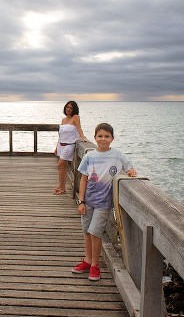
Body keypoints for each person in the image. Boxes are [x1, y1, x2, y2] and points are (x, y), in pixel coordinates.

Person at [71, 122, 136, 281]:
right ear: (95, 137)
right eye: (100, 136)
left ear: (112, 139)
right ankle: (87, 261)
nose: (103, 139)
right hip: (87, 201)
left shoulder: (117, 154)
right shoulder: (89, 156)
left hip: (104, 203)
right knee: (86, 231)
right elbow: (83, 179)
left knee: (95, 232)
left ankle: (95, 265)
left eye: (107, 136)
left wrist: (131, 171)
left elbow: (129, 167)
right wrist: (81, 201)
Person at [54, 100, 88, 195]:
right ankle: (61, 187)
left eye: (71, 108)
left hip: (70, 145)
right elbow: (61, 135)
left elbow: (79, 128)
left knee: (60, 164)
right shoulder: (63, 120)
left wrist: (83, 137)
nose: (68, 109)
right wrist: (56, 147)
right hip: (61, 144)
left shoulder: (75, 117)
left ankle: (61, 187)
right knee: (62, 167)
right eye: (67, 107)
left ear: (74, 109)